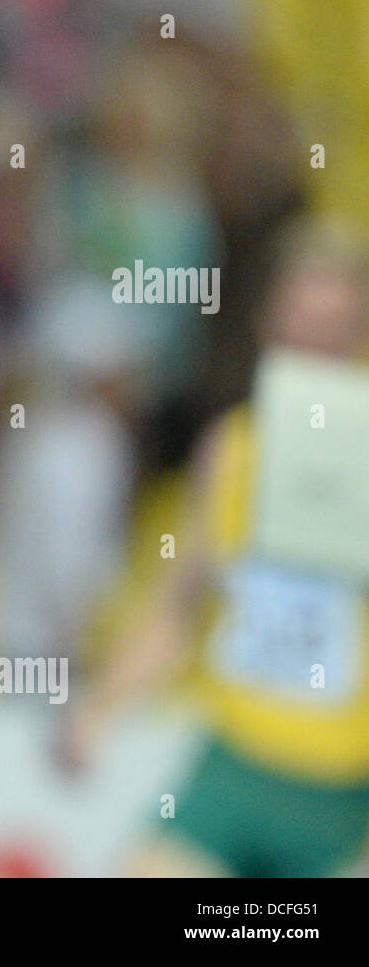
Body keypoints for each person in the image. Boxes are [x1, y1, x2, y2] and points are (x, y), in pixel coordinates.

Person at [60, 218, 369, 876]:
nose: (313, 351)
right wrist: (101, 706)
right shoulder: (232, 451)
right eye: (299, 331)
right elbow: (178, 606)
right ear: (268, 329)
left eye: (333, 333)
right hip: (233, 762)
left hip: (346, 788)